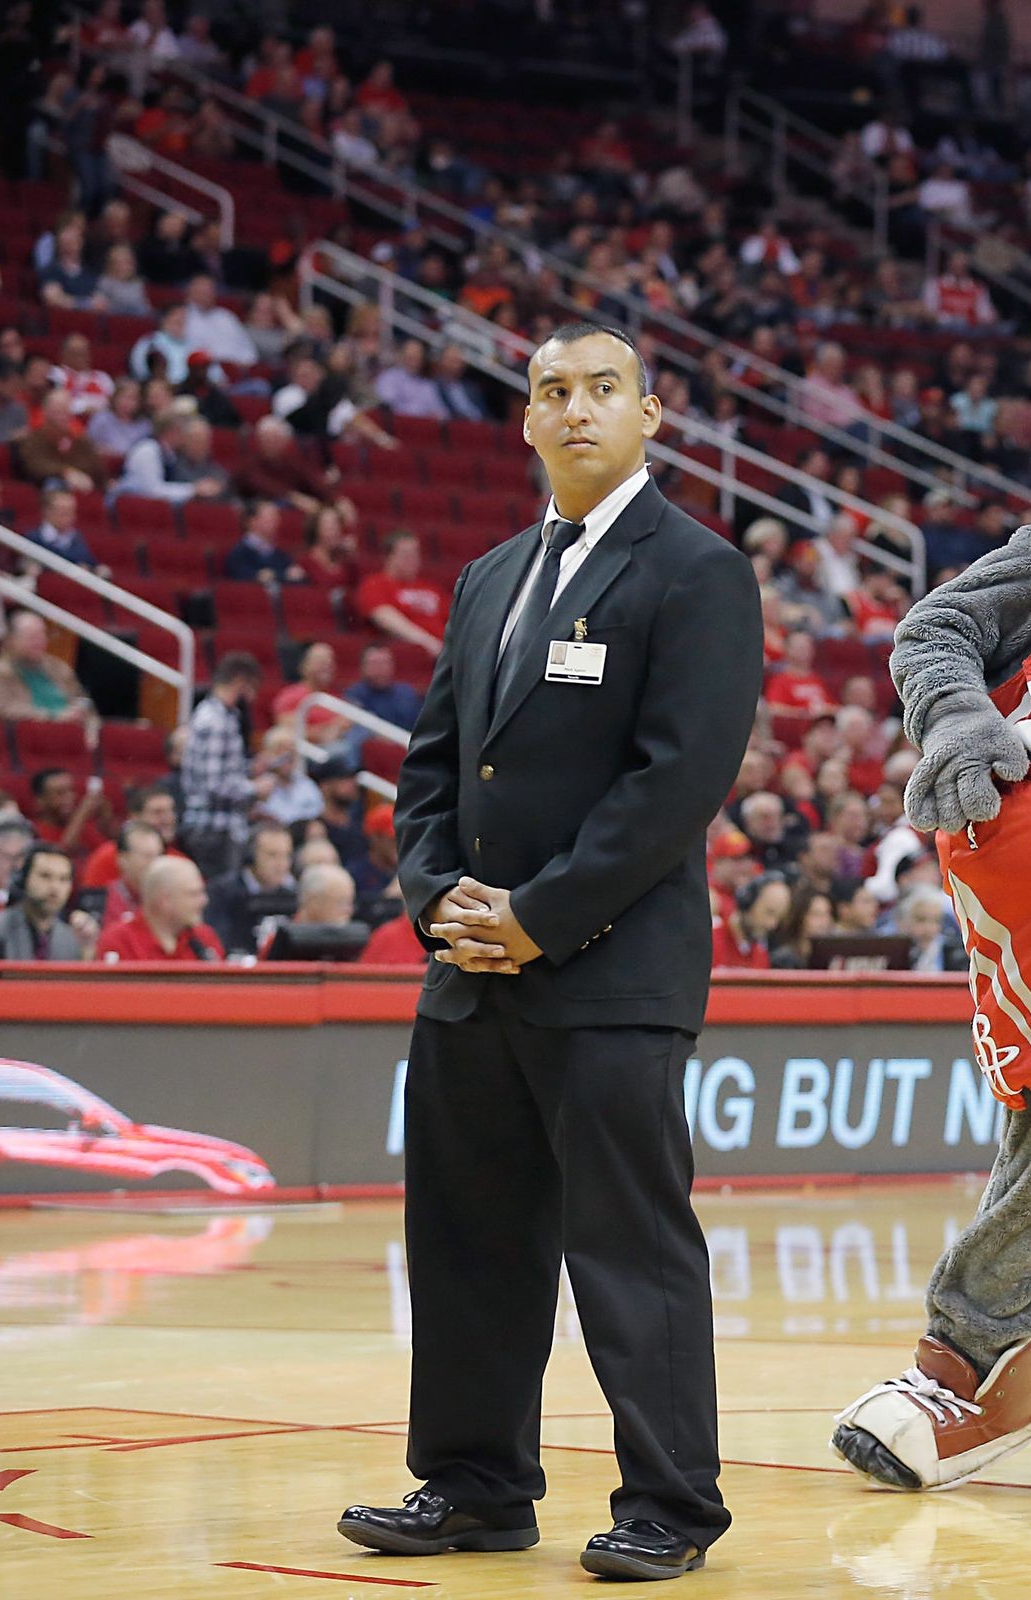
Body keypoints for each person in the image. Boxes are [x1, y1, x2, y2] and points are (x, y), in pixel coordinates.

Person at [346, 322, 760, 1582]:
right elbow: (430, 768)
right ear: (527, 419)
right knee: (467, 1244)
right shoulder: (488, 577)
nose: (576, 409)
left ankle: (671, 1507)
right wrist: (443, 906)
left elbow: (675, 784)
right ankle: (474, 1486)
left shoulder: (698, 571)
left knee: (632, 1248)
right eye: (552, 391)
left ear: (650, 413)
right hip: (469, 974)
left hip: (612, 974)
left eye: (602, 388)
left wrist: (538, 914)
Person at [178, 653, 267, 878]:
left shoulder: (223, 716)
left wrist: (249, 768)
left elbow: (219, 768)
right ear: (240, 682)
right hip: (213, 830)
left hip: (220, 828)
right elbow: (213, 784)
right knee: (219, 891)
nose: (252, 697)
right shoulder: (216, 721)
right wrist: (255, 789)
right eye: (251, 688)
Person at [0, 842, 95, 960]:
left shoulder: (71, 940)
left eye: (63, 879)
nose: (55, 887)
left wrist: (87, 951)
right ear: (23, 880)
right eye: (45, 876)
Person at [94, 855, 226, 961]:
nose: (204, 901)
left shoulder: (205, 938)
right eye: (193, 894)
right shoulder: (119, 940)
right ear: (165, 901)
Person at [0, 610, 94, 724]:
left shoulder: (58, 667)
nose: (39, 641)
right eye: (31, 636)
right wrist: (54, 716)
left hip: (74, 728)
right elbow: (3, 708)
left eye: (42, 635)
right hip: (32, 731)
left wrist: (81, 712)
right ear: (12, 639)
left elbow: (81, 700)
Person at [355, 530, 450, 658]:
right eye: (406, 555)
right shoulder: (375, 584)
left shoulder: (432, 589)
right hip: (411, 653)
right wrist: (428, 642)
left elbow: (453, 621)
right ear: (389, 557)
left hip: (443, 653)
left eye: (416, 554)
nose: (413, 560)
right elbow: (385, 618)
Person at [205, 822, 295, 954]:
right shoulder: (221, 892)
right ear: (250, 856)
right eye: (272, 855)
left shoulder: (293, 895)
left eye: (286, 855)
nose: (281, 864)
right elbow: (217, 942)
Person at [259, 862, 361, 956]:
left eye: (350, 903)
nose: (349, 910)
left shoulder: (353, 945)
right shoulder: (280, 943)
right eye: (341, 902)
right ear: (314, 902)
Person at [710, 872, 787, 968]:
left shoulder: (760, 955)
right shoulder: (711, 941)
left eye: (778, 918)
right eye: (769, 912)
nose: (772, 924)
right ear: (747, 903)